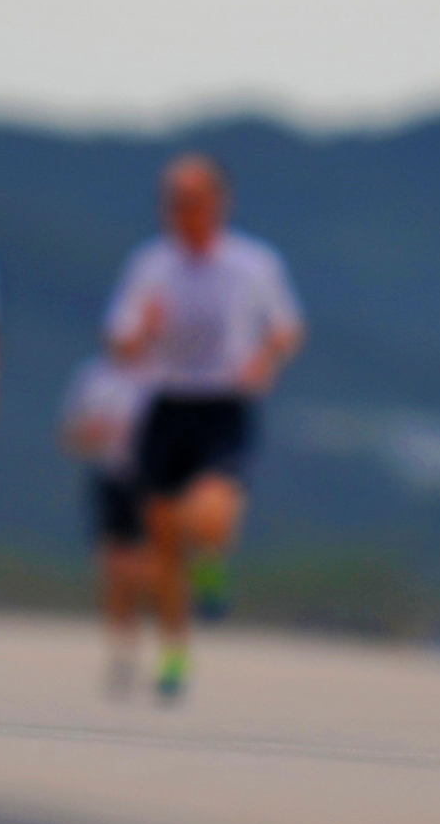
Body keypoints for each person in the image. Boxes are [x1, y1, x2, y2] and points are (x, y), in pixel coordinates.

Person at [105, 153, 304, 703]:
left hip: (224, 407)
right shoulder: (150, 264)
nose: (182, 213)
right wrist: (140, 334)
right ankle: (175, 651)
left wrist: (264, 360)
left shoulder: (254, 264)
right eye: (173, 203)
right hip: (168, 407)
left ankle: (212, 563)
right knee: (165, 543)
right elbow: (119, 343)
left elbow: (287, 327)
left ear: (218, 203)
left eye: (193, 202)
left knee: (208, 517)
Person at [59, 347, 155, 696]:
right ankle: (123, 651)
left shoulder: (169, 370)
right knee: (115, 569)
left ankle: (168, 633)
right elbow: (71, 436)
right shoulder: (96, 375)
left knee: (148, 570)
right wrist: (92, 433)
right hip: (112, 478)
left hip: (157, 482)